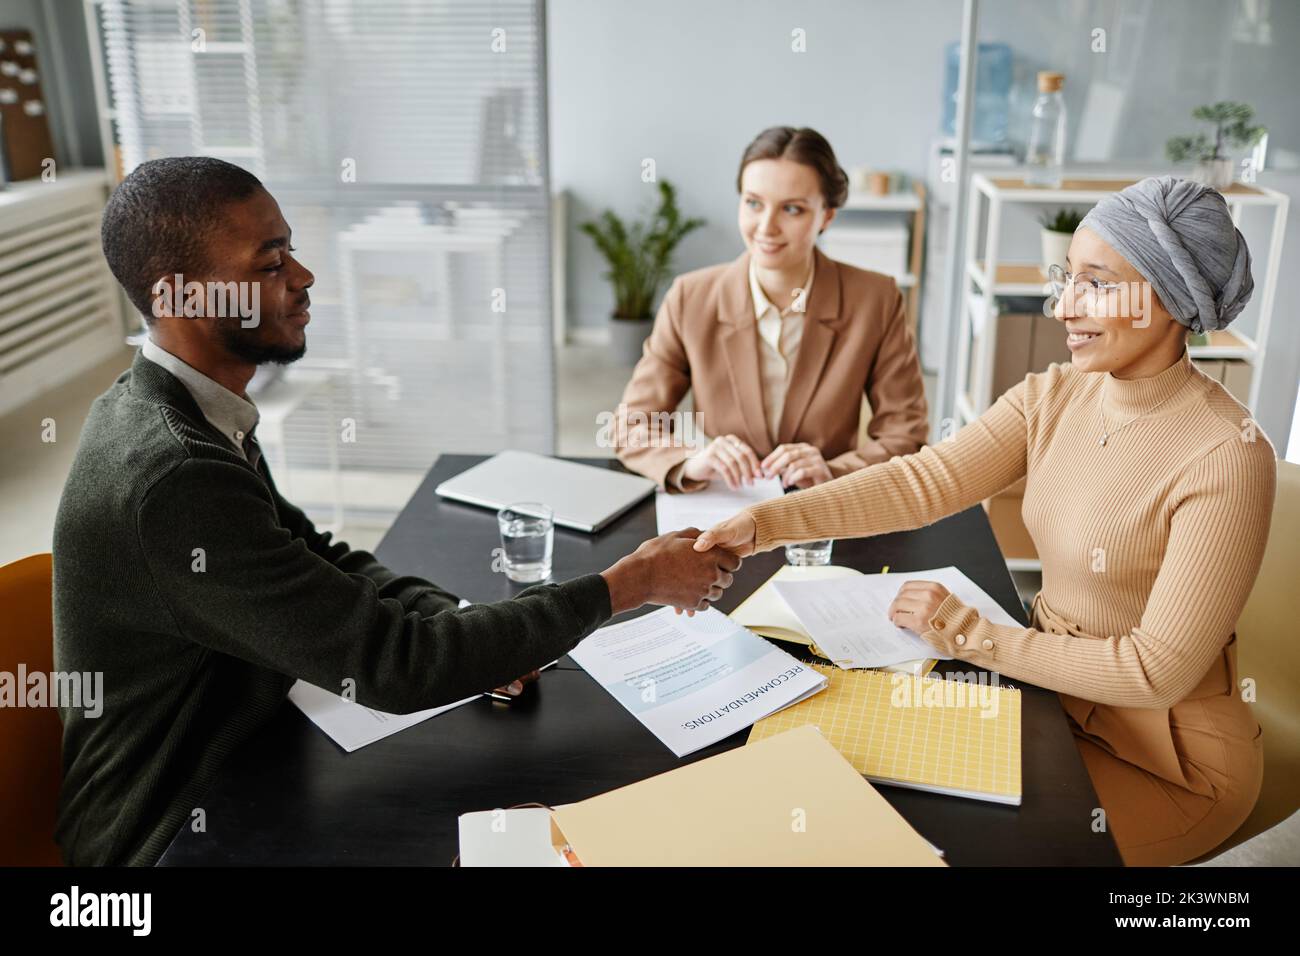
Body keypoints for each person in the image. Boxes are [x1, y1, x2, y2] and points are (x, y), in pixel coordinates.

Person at [52, 157, 740, 866]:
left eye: (289, 248)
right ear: (179, 298)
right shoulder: (176, 472)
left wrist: (454, 619)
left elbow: (318, 554)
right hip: (167, 827)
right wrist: (629, 584)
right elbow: (399, 668)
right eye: (268, 263)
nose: (303, 277)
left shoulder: (187, 411)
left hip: (242, 745)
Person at [693, 176, 1275, 866]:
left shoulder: (1225, 455)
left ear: (1168, 299)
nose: (1063, 305)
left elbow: (1155, 674)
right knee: (868, 805)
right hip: (1049, 696)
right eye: (1067, 278)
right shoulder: (1055, 393)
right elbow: (925, 482)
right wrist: (766, 522)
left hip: (1168, 758)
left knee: (962, 850)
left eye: (1096, 283)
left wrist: (969, 635)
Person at [615, 126, 928, 493]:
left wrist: (834, 470)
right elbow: (631, 425)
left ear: (826, 216)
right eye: (753, 203)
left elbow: (907, 436)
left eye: (792, 209)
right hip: (722, 507)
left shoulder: (876, 299)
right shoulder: (690, 298)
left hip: (821, 514)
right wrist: (690, 460)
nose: (766, 227)